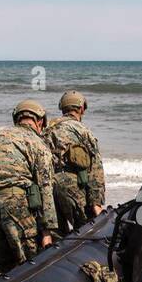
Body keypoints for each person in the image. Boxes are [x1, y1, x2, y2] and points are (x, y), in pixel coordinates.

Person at [0, 100, 60, 281]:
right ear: (40, 122)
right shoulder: (38, 144)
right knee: (29, 263)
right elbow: (45, 189)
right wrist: (47, 232)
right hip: (14, 203)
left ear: (17, 119)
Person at [48, 90, 106, 233]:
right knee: (89, 232)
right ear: (81, 109)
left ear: (62, 108)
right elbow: (96, 169)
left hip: (49, 188)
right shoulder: (82, 130)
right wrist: (96, 203)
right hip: (72, 187)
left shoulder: (47, 129)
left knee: (57, 240)